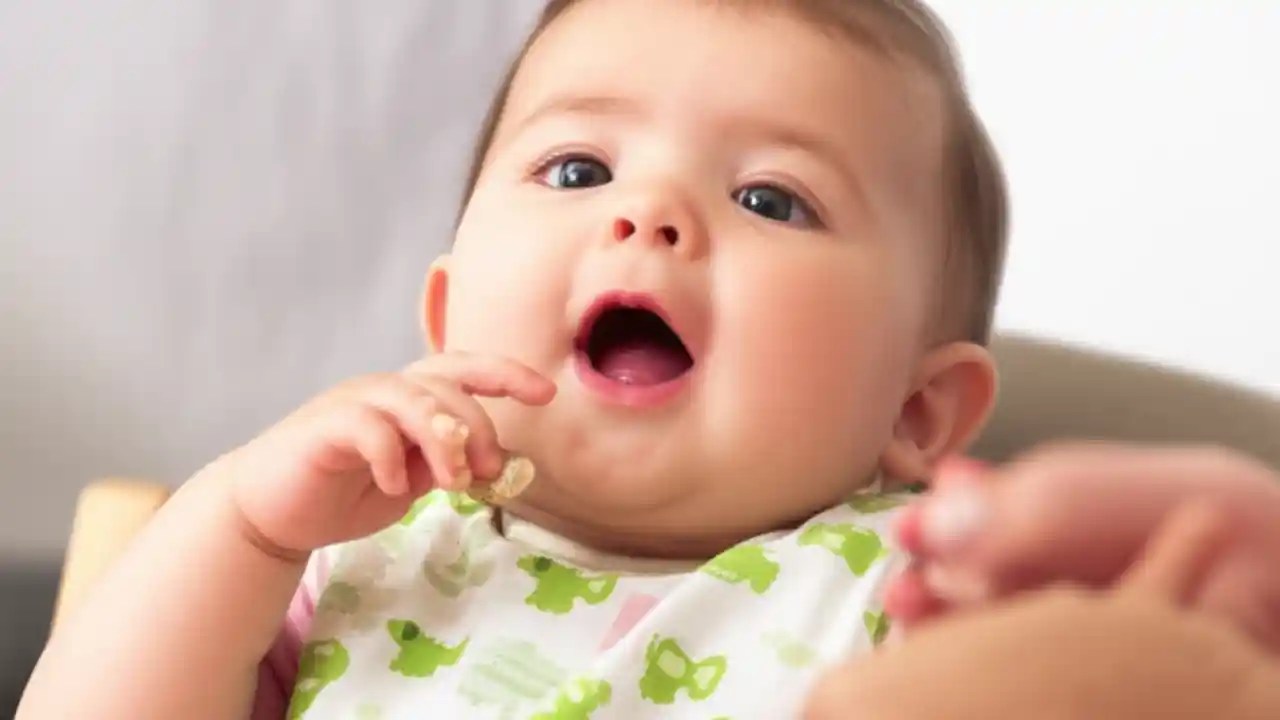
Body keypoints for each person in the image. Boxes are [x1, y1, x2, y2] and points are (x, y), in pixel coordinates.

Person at [18, 1, 1280, 718]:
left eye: (772, 199)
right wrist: (237, 530)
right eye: (578, 169)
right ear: (448, 319)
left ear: (913, 410)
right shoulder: (350, 562)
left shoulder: (917, 593)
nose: (649, 214)